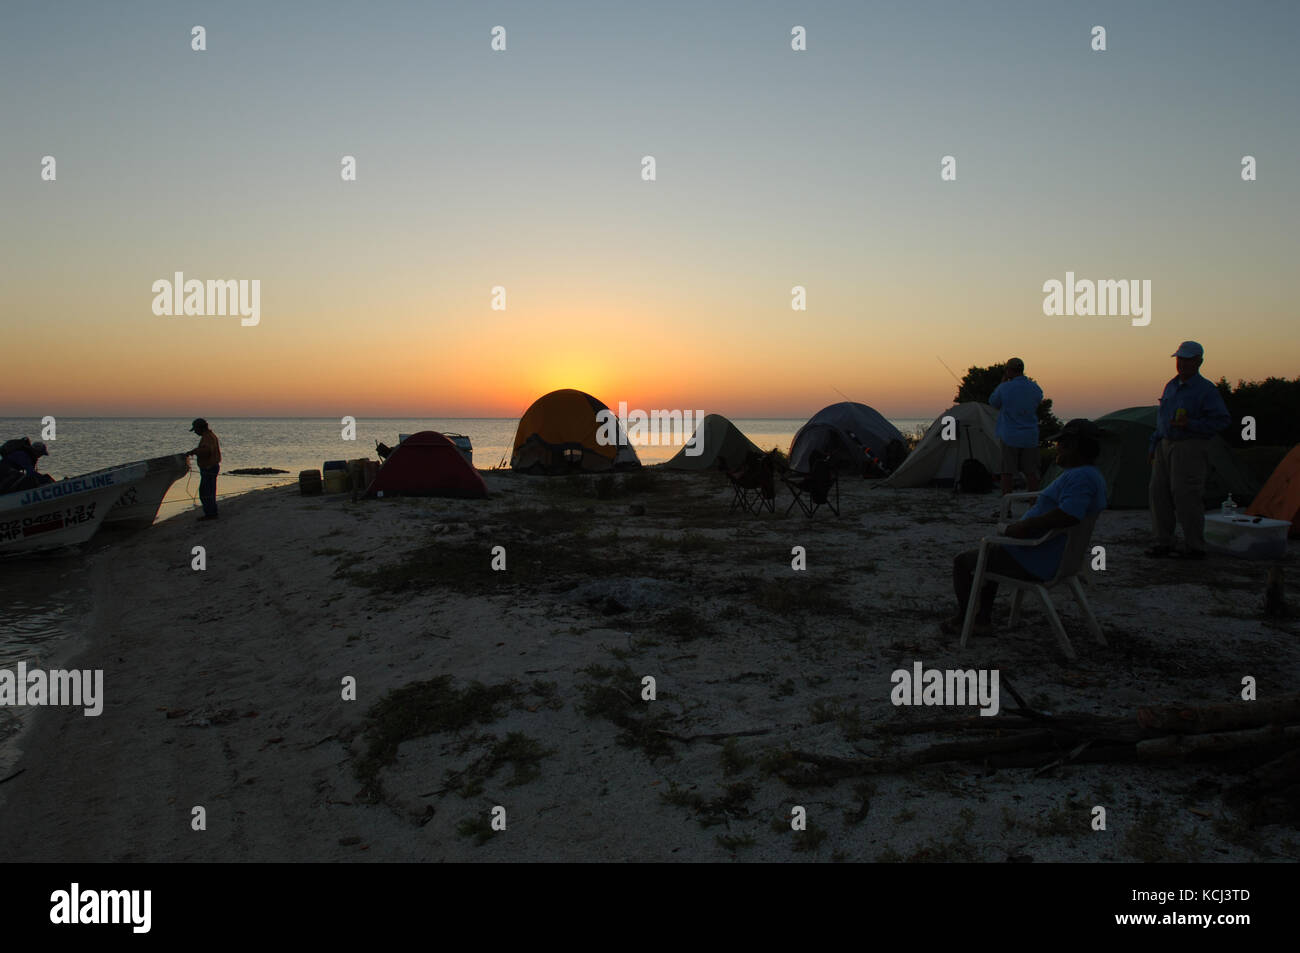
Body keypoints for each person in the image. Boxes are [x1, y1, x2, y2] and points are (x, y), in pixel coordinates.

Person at [942, 419, 1107, 636]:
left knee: (965, 562)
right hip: (1053, 554)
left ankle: (966, 620)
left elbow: (1069, 514)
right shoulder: (1090, 474)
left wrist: (1022, 527)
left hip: (1038, 558)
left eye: (1062, 445)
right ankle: (981, 619)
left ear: (1074, 446)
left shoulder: (1080, 477)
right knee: (991, 553)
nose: (1057, 448)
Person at [1145, 342, 1231, 560]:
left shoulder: (1206, 390)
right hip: (1165, 444)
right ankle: (1163, 542)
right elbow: (1162, 418)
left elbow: (1221, 420)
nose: (1182, 363)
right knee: (1158, 493)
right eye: (1180, 359)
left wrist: (1190, 424)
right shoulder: (1170, 386)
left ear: (1199, 361)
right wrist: (1154, 445)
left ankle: (1194, 546)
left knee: (1186, 495)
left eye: (1187, 359)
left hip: (1190, 445)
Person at [988, 357, 1044, 495]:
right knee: (1031, 473)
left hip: (1010, 435)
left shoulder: (1005, 387)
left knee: (1007, 472)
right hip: (1030, 436)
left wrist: (1002, 383)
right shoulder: (1035, 388)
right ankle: (1033, 504)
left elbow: (993, 403)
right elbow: (1037, 402)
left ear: (1009, 370)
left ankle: (1006, 507)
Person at [185, 419, 221, 521]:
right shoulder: (210, 436)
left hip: (209, 468)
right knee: (209, 491)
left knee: (205, 492)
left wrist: (194, 451)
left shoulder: (207, 437)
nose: (195, 432)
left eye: (196, 430)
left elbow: (206, 451)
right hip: (210, 467)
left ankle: (211, 514)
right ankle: (212, 513)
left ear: (200, 428)